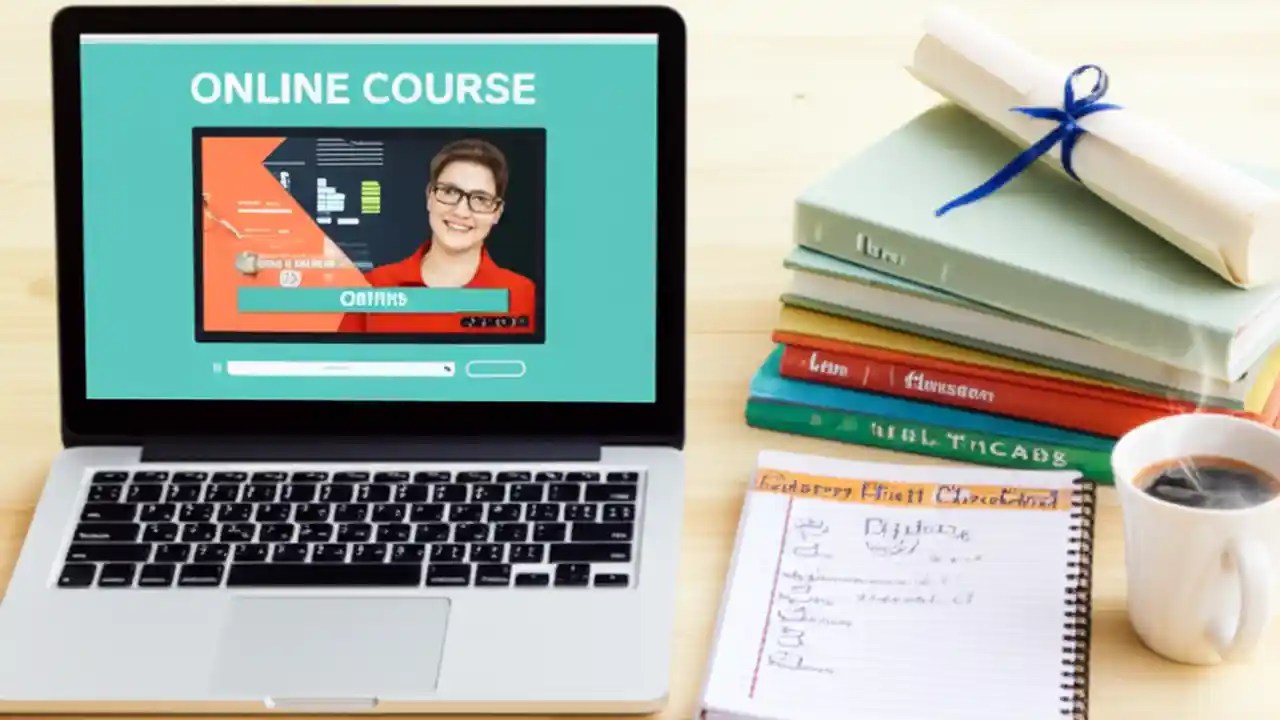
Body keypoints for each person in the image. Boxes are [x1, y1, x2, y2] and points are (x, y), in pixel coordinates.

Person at [337, 138, 535, 333]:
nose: (461, 211)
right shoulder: (374, 286)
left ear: (496, 213)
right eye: (449, 191)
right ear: (430, 197)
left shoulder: (520, 294)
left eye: (480, 199)